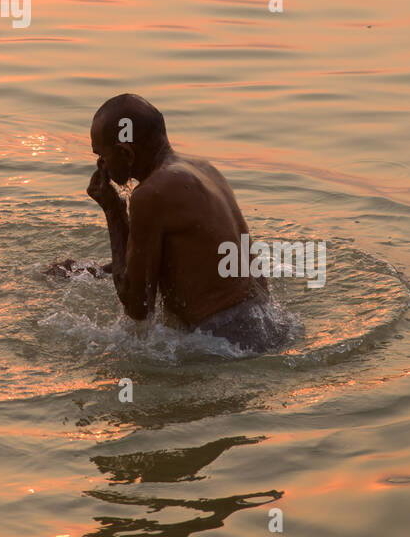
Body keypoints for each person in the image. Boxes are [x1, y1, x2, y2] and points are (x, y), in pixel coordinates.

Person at [86, 93, 295, 352]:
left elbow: (138, 307)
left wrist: (114, 212)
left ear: (126, 153)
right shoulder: (203, 169)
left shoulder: (151, 194)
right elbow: (181, 260)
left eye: (102, 157)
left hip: (227, 343)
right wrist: (91, 271)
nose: (100, 167)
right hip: (271, 325)